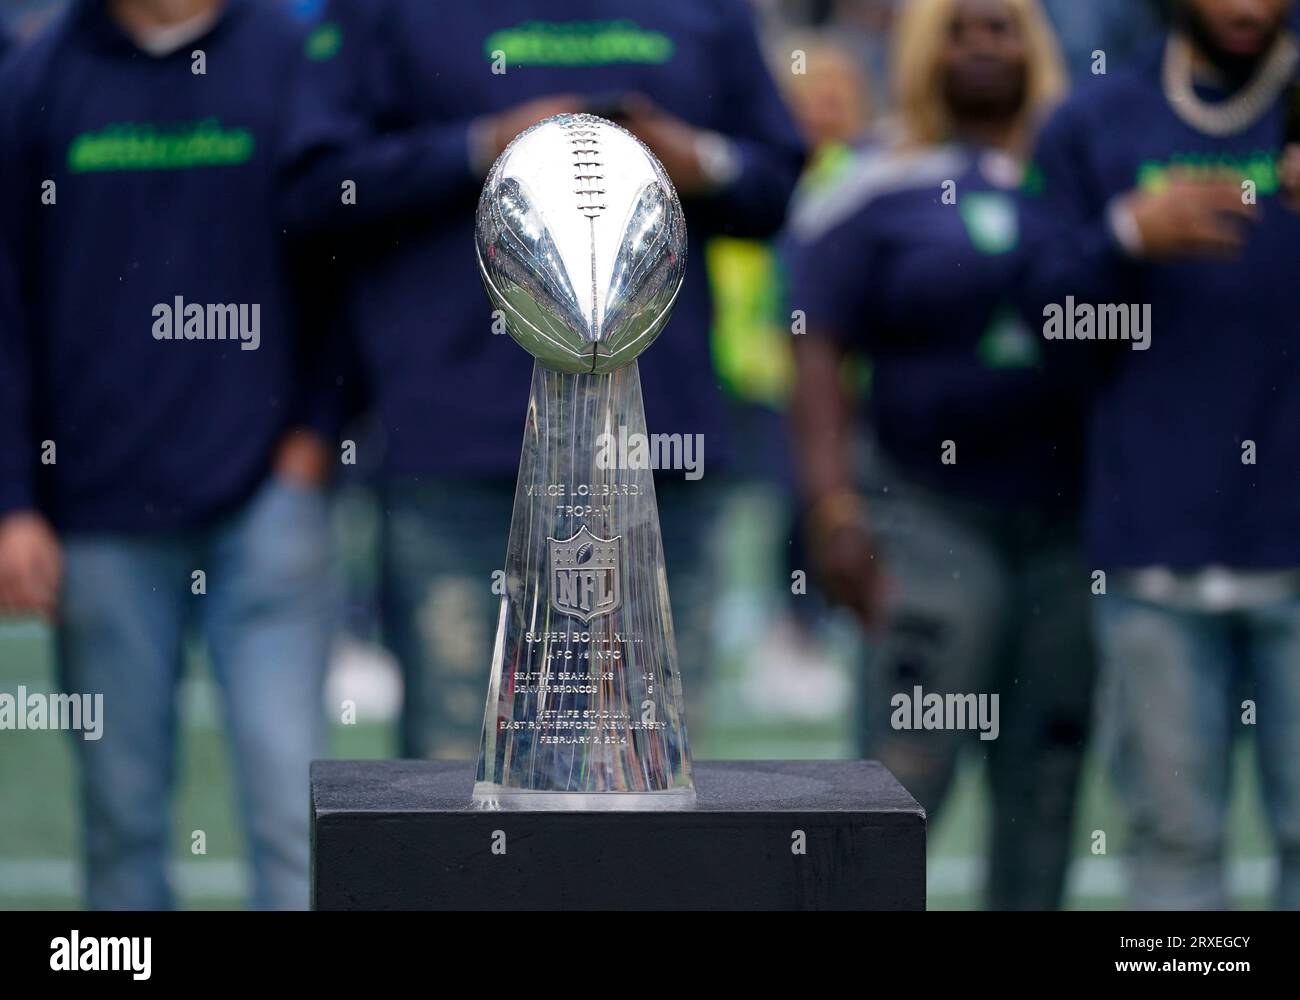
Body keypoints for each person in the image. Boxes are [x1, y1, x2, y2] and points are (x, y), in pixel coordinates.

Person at [285, 0, 805, 759]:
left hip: (656, 448)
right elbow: (314, 188)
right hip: (460, 450)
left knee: (647, 772)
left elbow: (779, 182)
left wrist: (695, 160)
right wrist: (483, 148)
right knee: (463, 773)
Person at [0, 0, 337, 909]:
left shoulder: (293, 56)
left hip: (268, 498)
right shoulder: (36, 76)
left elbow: (344, 252)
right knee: (120, 828)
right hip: (97, 514)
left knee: (296, 819)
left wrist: (315, 437)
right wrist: (13, 502)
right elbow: (6, 308)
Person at [787, 0, 1093, 909]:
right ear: (923, 47)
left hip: (1071, 522)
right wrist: (832, 506)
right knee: (902, 776)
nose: (984, 47)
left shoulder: (1083, 170)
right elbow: (816, 349)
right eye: (960, 29)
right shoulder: (870, 177)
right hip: (925, 507)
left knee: (1046, 783)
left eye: (1003, 28)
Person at [1026, 0, 1300, 910]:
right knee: (1174, 845)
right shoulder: (1095, 118)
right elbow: (1040, 322)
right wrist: (1127, 237)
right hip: (1155, 546)